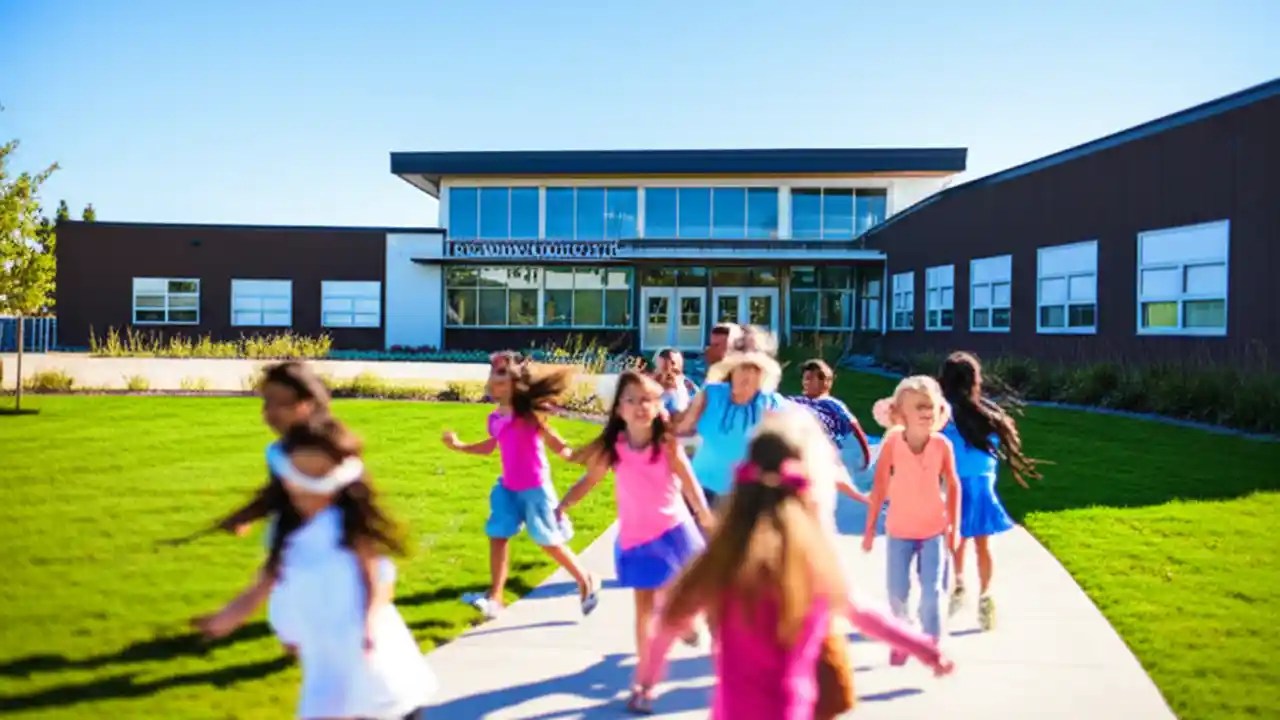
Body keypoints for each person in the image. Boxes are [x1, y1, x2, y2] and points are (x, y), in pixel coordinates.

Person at [632, 408, 953, 718]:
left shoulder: (725, 557)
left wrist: (648, 678)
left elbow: (668, 621)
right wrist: (925, 648)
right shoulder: (810, 557)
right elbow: (861, 611)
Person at [196, 416, 435, 719]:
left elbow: (376, 583)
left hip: (369, 649)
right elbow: (264, 584)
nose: (304, 488)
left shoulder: (350, 527)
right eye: (298, 474)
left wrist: (369, 625)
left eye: (317, 476)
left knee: (385, 705)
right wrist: (227, 618)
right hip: (325, 658)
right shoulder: (286, 531)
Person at [556, 371, 714, 684]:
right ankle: (645, 678)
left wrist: (703, 511)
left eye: (647, 399)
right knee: (645, 609)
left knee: (674, 597)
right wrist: (563, 504)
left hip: (673, 533)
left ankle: (684, 621)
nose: (640, 406)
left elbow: (688, 479)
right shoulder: (614, 447)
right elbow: (589, 480)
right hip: (636, 539)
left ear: (658, 406)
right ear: (619, 410)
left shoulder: (666, 444)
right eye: (631, 400)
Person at [441, 358, 600, 620]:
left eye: (501, 382)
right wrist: (459, 446)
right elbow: (491, 445)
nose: (493, 385)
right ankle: (496, 598)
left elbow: (557, 444)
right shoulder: (494, 417)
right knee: (498, 534)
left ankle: (586, 581)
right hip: (509, 488)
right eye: (492, 379)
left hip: (535, 488)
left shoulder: (529, 416)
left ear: (515, 386)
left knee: (548, 541)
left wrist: (579, 456)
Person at [862, 375, 961, 663]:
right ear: (901, 414)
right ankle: (902, 639)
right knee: (897, 592)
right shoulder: (893, 444)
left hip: (934, 529)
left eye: (930, 405)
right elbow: (879, 487)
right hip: (899, 530)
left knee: (932, 592)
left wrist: (953, 527)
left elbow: (953, 484)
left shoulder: (942, 445)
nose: (926, 411)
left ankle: (931, 644)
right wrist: (869, 529)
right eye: (918, 406)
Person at [938, 351, 1040, 630]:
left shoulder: (943, 414)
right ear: (974, 380)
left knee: (957, 541)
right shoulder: (985, 413)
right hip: (982, 484)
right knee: (983, 544)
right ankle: (985, 596)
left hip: (957, 484)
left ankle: (959, 585)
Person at [675, 332, 788, 509]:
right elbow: (681, 428)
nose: (748, 375)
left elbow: (785, 450)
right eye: (743, 367)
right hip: (701, 490)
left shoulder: (772, 404)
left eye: (755, 369)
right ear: (732, 369)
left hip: (747, 496)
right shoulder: (710, 394)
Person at [651, 348, 698, 416]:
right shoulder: (648, 386)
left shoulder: (688, 386)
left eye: (672, 363)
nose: (669, 371)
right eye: (665, 368)